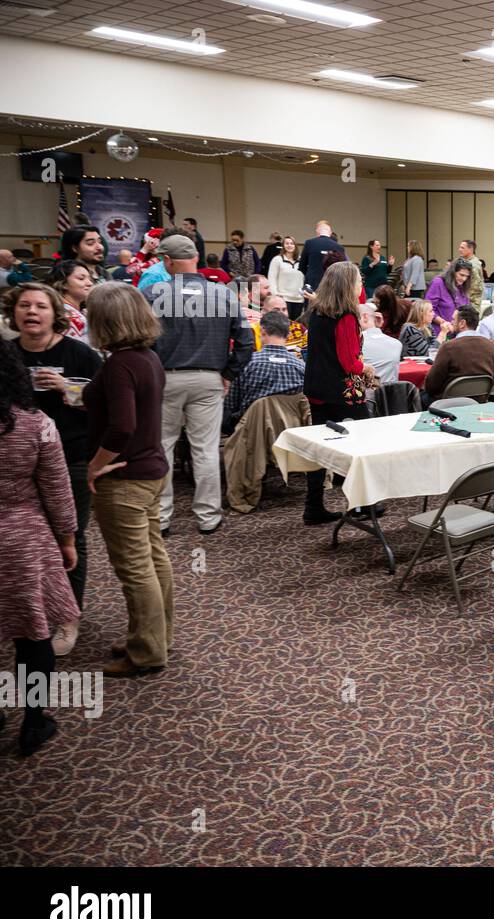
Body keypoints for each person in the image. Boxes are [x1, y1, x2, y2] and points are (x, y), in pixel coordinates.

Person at [5, 281, 102, 654]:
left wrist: (68, 388)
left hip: (71, 457)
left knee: (70, 536)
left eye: (41, 306)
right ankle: (22, 613)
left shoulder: (80, 354)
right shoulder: (6, 354)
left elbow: (102, 405)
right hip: (13, 464)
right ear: (14, 313)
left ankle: (67, 617)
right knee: (20, 543)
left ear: (54, 314)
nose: (32, 312)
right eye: (25, 306)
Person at [82, 282, 174, 678]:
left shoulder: (120, 364)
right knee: (153, 558)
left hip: (125, 477)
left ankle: (147, 650)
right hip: (150, 470)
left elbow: (121, 427)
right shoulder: (146, 356)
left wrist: (94, 465)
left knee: (135, 567)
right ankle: (154, 636)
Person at [142, 233, 254, 536]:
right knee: (205, 450)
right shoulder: (225, 294)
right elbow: (246, 343)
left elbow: (138, 341)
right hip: (208, 378)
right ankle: (208, 517)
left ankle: (162, 518)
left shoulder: (151, 293)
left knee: (162, 448)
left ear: (168, 261)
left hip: (164, 378)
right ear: (195, 259)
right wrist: (228, 375)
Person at [0, 339, 78, 752]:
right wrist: (67, 539)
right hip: (24, 541)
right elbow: (58, 492)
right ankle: (33, 723)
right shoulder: (35, 424)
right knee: (34, 636)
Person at [302, 261, 374, 525]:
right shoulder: (346, 317)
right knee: (364, 444)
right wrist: (365, 366)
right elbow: (348, 362)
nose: (361, 286)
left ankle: (313, 506)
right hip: (343, 390)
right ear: (347, 285)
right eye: (358, 281)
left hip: (317, 387)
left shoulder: (318, 312)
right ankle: (361, 504)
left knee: (319, 448)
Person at [222, 309, 305, 433]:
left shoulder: (246, 364)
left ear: (262, 331)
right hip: (287, 431)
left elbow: (230, 404)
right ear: (288, 335)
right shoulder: (301, 367)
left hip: (250, 431)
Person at [423, 304, 494, 401]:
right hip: (479, 401)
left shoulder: (449, 347)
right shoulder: (491, 346)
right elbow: (493, 380)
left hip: (446, 403)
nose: (451, 322)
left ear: (462, 323)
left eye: (454, 320)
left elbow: (431, 384)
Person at [49, 259, 94, 343]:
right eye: (81, 278)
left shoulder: (61, 309)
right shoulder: (71, 317)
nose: (90, 283)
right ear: (63, 283)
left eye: (90, 279)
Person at [424, 258, 472, 333]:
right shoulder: (438, 283)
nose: (464, 279)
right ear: (453, 272)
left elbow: (466, 310)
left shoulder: (463, 287)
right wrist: (444, 323)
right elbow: (428, 310)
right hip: (439, 332)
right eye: (461, 275)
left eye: (467, 276)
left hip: (457, 333)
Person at [359, 306, 402, 385]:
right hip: (390, 394)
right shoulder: (397, 344)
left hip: (364, 394)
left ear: (365, 317)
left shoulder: (357, 344)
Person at [299, 220, 345, 292]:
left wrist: (310, 275)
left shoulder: (309, 243)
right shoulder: (339, 247)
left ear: (317, 231)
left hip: (312, 284)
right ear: (330, 233)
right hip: (331, 285)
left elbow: (301, 266)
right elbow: (343, 270)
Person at [267, 236, 305, 322]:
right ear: (283, 245)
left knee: (295, 326)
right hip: (283, 298)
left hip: (298, 299)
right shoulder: (277, 259)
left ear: (295, 246)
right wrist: (275, 294)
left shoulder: (301, 260)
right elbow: (271, 278)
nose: (289, 245)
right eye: (287, 243)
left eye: (292, 243)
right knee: (283, 325)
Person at [457, 239, 485, 305]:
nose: (459, 249)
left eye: (462, 248)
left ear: (471, 249)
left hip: (471, 303)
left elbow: (475, 288)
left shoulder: (473, 265)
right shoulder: (465, 261)